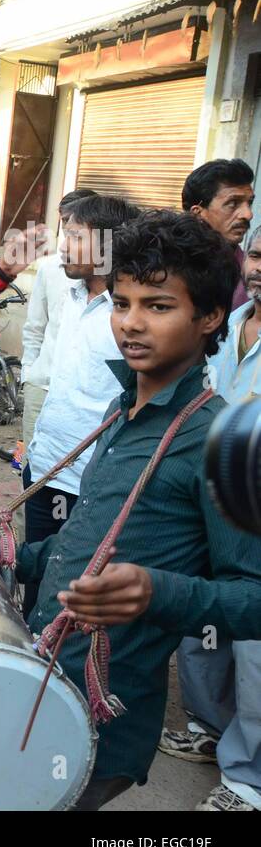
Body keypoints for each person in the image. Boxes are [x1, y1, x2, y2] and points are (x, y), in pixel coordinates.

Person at [16, 209, 261, 811]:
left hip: (105, 717)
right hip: (43, 679)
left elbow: (252, 597)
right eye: (122, 303)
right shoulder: (116, 412)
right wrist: (7, 558)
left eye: (158, 306)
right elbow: (91, 541)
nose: (131, 323)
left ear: (208, 318)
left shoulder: (220, 442)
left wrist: (157, 592)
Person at [156, 223, 261, 812]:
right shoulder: (228, 325)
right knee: (201, 622)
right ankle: (210, 725)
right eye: (256, 253)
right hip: (210, 490)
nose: (260, 265)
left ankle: (248, 775)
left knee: (251, 642)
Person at [21, 195, 141, 614]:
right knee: (34, 583)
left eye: (75, 236)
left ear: (109, 243)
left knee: (76, 597)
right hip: (44, 469)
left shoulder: (130, 314)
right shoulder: (70, 293)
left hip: (91, 486)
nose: (63, 245)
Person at [20, 189, 97, 448]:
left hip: (82, 398)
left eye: (76, 228)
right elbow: (35, 327)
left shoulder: (110, 283)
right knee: (33, 465)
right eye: (64, 222)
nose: (66, 231)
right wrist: (29, 373)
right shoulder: (49, 269)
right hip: (41, 386)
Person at [183, 157, 252, 308]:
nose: (248, 214)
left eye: (249, 203)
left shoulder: (251, 274)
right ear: (197, 213)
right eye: (233, 203)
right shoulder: (166, 263)